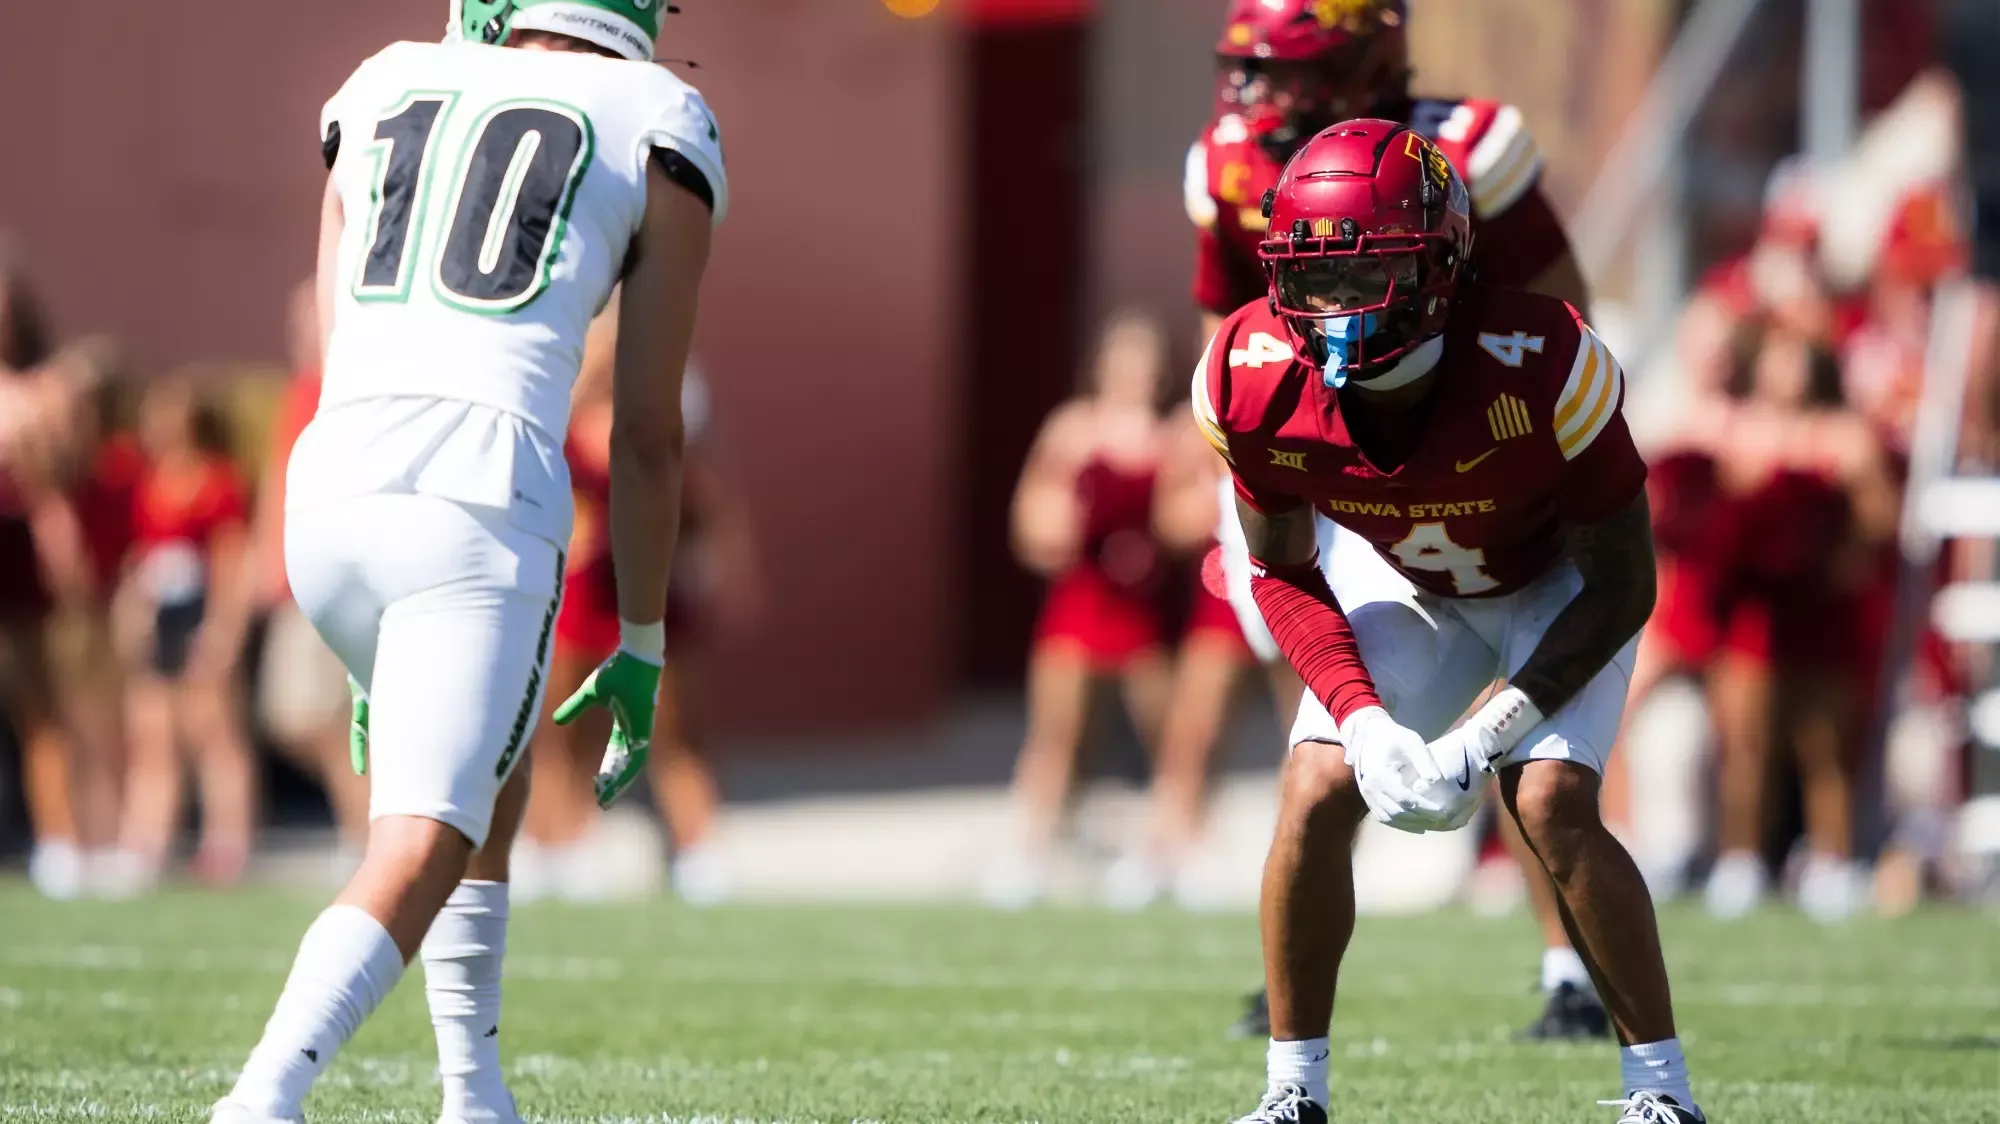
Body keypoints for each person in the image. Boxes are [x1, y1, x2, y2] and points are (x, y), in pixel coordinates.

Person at [209, 0, 724, 1120]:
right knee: (420, 839)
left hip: (329, 484)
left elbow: (337, 339)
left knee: (493, 771)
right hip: (480, 490)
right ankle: (261, 1096)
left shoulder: (381, 79)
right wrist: (641, 639)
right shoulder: (659, 114)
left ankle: (474, 1090)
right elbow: (646, 431)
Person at [1201, 121, 1701, 1123]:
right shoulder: (1248, 373)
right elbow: (1283, 572)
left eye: (1364, 272)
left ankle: (1661, 1093)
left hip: (1556, 587)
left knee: (1549, 797)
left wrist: (1481, 739)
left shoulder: (1543, 358)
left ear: (1439, 265)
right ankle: (1291, 1090)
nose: (1334, 305)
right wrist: (1363, 719)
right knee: (1315, 782)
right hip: (1413, 586)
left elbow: (1622, 584)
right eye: (1313, 275)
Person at [1187, 0, 1603, 1041]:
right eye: (1253, 69)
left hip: (1466, 437)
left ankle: (1566, 961)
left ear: (1361, 59)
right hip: (1314, 438)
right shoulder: (1227, 163)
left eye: (1289, 70)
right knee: (1329, 714)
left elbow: (1563, 313)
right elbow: (1227, 328)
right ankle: (1296, 963)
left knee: (1523, 705)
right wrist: (1233, 447)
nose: (1259, 94)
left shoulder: (1465, 147)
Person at [985, 312, 1175, 909]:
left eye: (1145, 365)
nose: (1135, 375)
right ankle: (1030, 852)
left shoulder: (1171, 437)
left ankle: (1163, 854)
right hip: (1081, 600)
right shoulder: (1072, 428)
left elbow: (1185, 518)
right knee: (1057, 736)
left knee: (1167, 736)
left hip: (1142, 608)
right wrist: (1055, 531)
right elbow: (1032, 513)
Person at [114, 376, 257, 887]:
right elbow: (141, 555)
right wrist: (131, 610)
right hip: (160, 616)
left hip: (199, 612)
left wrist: (223, 629)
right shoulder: (151, 480)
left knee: (214, 734)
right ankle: (145, 843)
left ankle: (227, 843)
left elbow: (230, 560)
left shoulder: (217, 482)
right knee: (151, 736)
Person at [249, 282, 371, 863]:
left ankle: (366, 833)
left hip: (329, 576)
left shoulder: (349, 390)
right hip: (294, 579)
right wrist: (263, 555)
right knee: (300, 717)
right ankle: (364, 828)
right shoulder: (300, 390)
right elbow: (278, 480)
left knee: (320, 715)